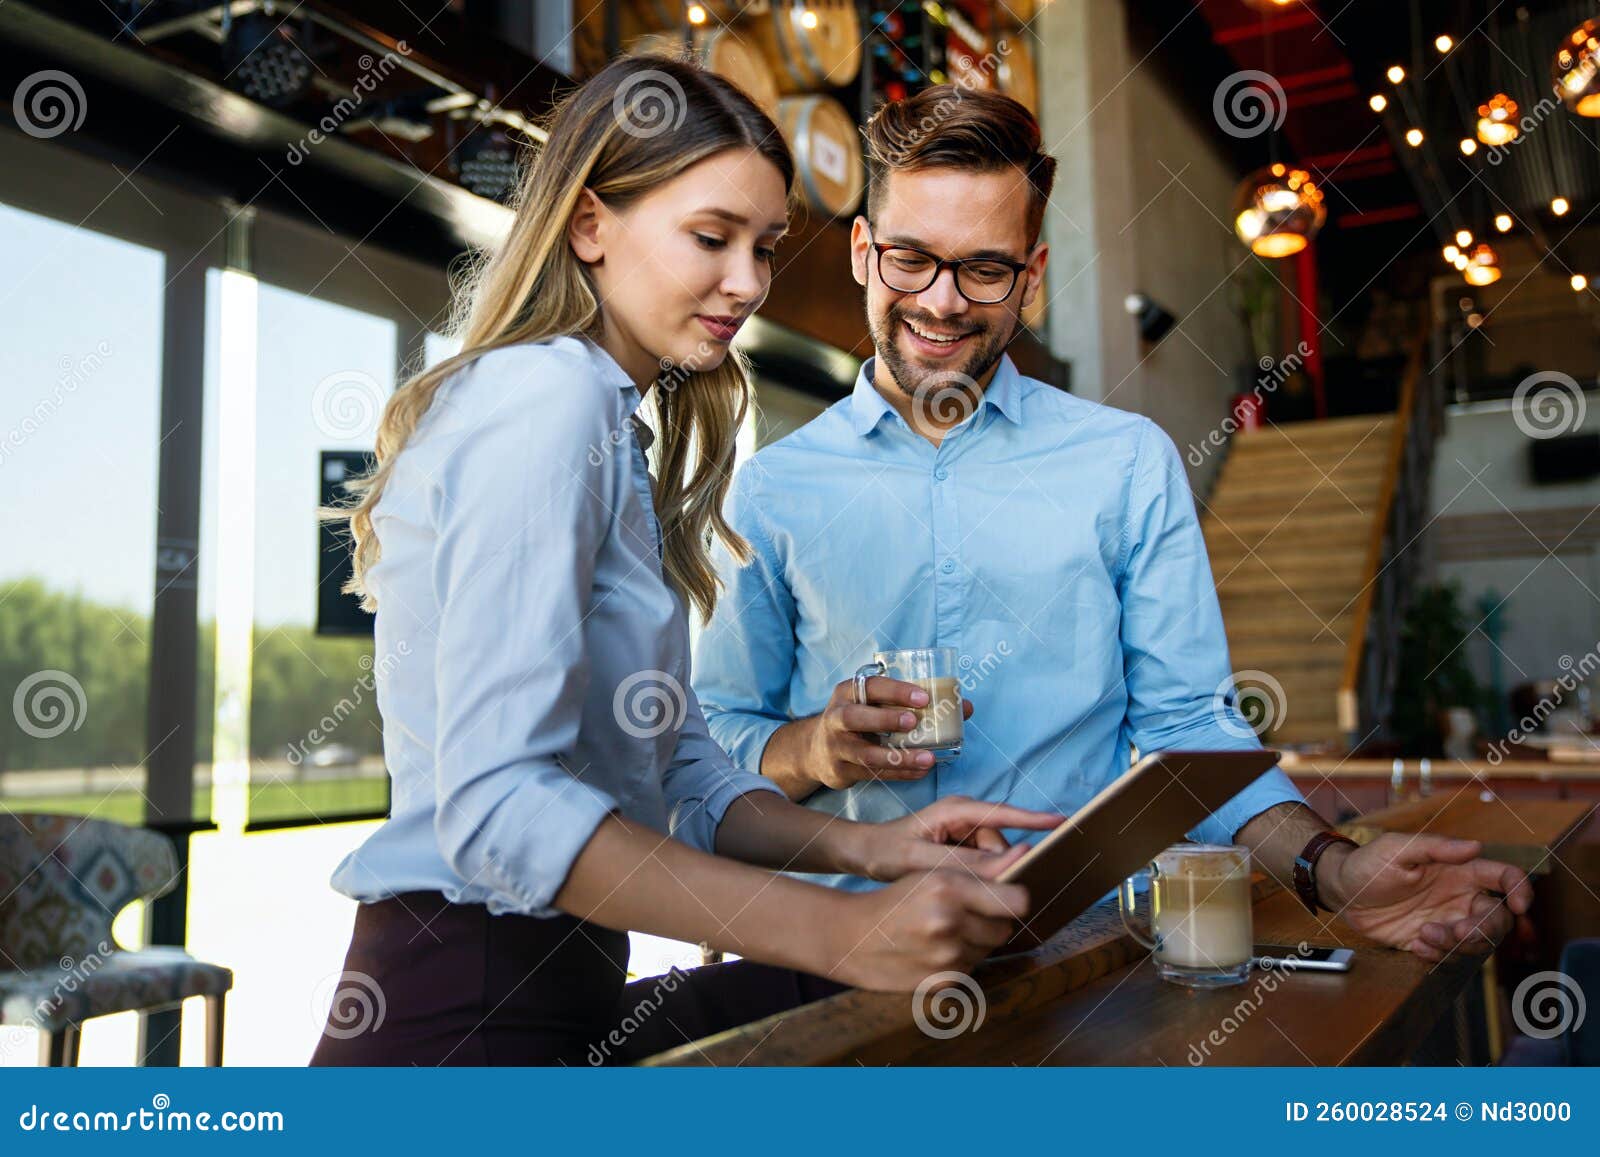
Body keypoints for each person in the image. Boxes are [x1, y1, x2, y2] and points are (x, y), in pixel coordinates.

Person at [311, 59, 1060, 1067]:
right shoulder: (548, 400)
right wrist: (842, 930)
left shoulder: (610, 426)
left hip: (551, 987)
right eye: (712, 238)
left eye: (763, 247)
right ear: (589, 225)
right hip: (465, 1005)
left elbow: (682, 770)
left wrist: (874, 849)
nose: (748, 283)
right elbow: (497, 808)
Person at [694, 85, 1533, 963]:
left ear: (1035, 274)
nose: (941, 302)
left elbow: (1189, 732)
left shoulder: (1125, 463)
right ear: (864, 252)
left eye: (985, 268)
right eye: (912, 258)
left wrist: (1332, 866)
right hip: (835, 955)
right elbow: (715, 743)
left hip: (1076, 957)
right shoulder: (769, 489)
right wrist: (814, 748)